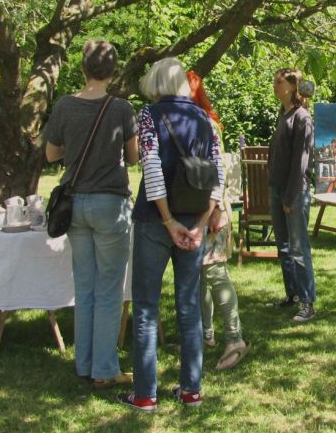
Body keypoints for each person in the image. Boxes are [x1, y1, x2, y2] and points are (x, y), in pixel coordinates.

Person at [118, 58, 224, 413]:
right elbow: (217, 175)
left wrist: (167, 220)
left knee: (146, 307)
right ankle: (191, 390)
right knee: (189, 306)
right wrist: (200, 222)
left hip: (154, 221)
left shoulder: (149, 115)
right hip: (192, 221)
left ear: (155, 82)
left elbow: (150, 167)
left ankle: (145, 395)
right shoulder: (205, 119)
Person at [44, 40, 138, 387]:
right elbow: (133, 158)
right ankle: (105, 369)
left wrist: (74, 145)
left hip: (75, 204)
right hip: (110, 203)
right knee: (109, 288)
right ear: (113, 71)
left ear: (83, 68)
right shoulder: (122, 108)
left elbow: (51, 154)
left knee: (84, 286)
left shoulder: (65, 105)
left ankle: (85, 364)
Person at [186, 70, 250, 371]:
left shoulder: (207, 124)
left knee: (215, 273)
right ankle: (205, 335)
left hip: (212, 210)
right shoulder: (191, 122)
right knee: (200, 275)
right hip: (200, 209)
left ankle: (235, 338)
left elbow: (217, 171)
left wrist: (216, 211)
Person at [267, 68, 317, 323]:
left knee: (298, 248)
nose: (274, 85)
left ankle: (307, 302)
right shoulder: (283, 113)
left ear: (292, 87)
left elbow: (301, 162)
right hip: (277, 189)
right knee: (284, 247)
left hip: (294, 192)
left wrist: (290, 197)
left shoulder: (302, 117)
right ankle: (293, 295)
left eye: (279, 82)